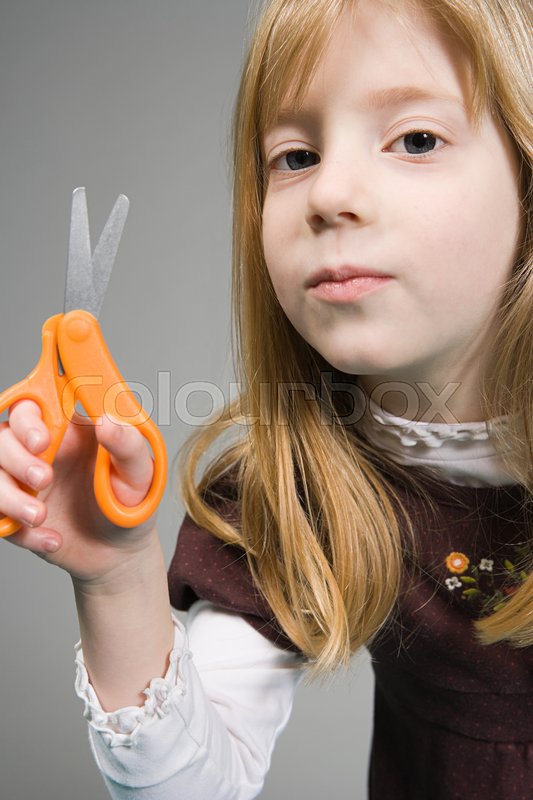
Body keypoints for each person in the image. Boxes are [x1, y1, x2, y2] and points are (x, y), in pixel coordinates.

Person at [0, 0, 531, 797]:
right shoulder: (289, 490)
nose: (329, 193)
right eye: (294, 156)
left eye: (415, 139)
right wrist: (115, 575)